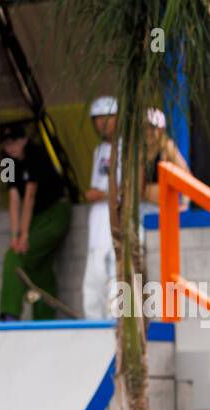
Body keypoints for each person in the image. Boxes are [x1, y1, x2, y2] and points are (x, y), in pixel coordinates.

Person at [0, 120, 71, 321]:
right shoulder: (6, 162)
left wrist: (24, 235)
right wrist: (14, 234)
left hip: (55, 212)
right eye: (6, 144)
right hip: (35, 217)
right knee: (38, 265)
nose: (10, 148)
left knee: (17, 255)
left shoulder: (35, 154)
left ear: (25, 140)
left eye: (14, 142)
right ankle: (44, 318)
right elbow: (13, 197)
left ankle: (9, 313)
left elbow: (29, 196)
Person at [81, 96, 118, 318]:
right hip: (97, 229)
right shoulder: (99, 150)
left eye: (108, 117)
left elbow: (130, 189)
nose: (103, 123)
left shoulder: (128, 147)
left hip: (114, 227)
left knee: (115, 284)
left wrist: (102, 194)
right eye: (98, 119)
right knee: (92, 289)